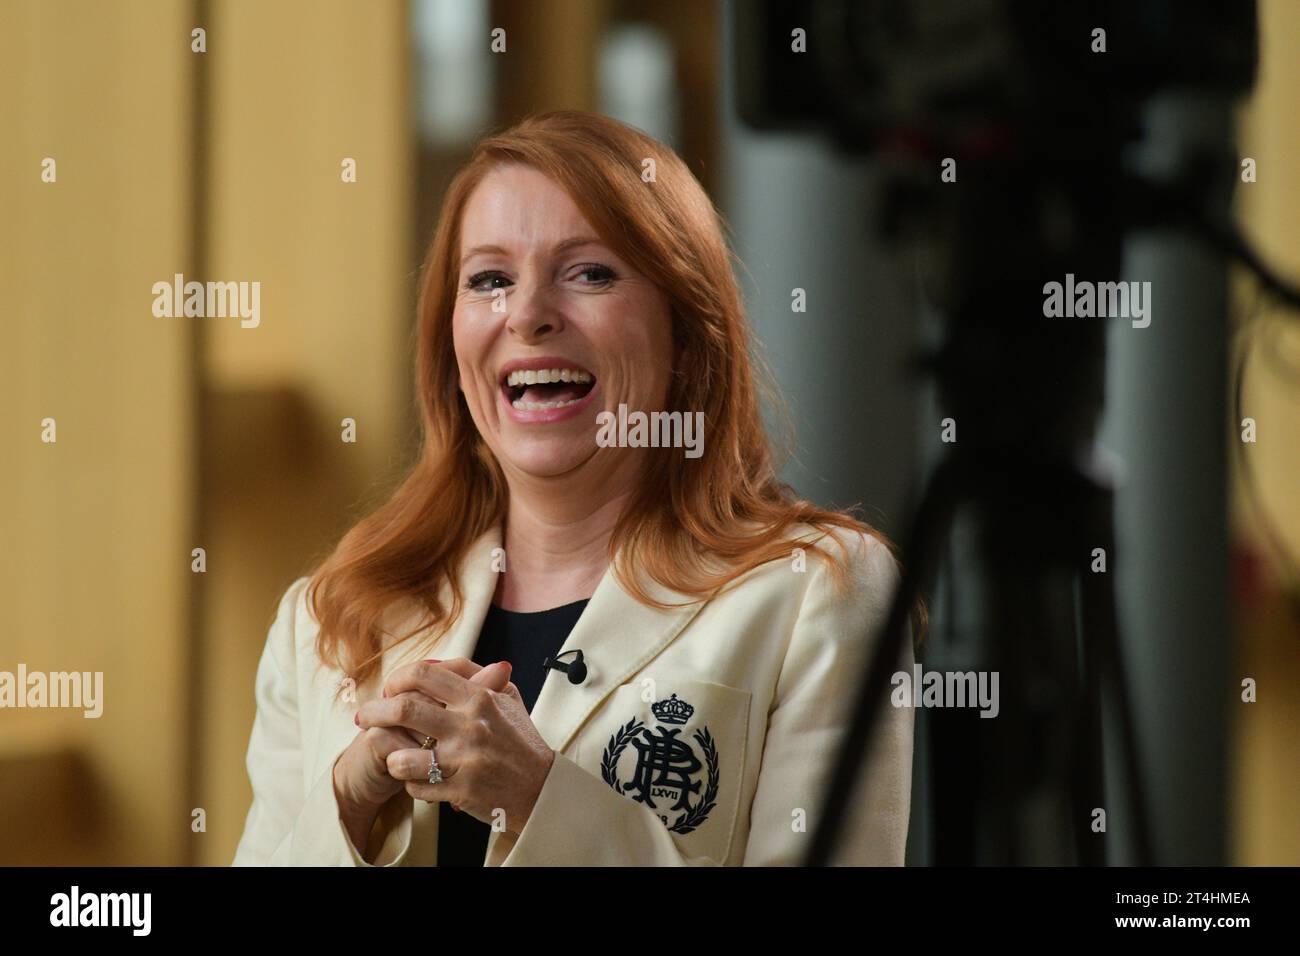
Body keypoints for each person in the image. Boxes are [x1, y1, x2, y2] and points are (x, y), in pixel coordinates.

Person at [232, 110, 916, 867]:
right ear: (449, 346)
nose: (527, 316)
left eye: (590, 272)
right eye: (490, 280)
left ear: (686, 336)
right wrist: (350, 810)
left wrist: (541, 802)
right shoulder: (329, 616)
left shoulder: (817, 590)